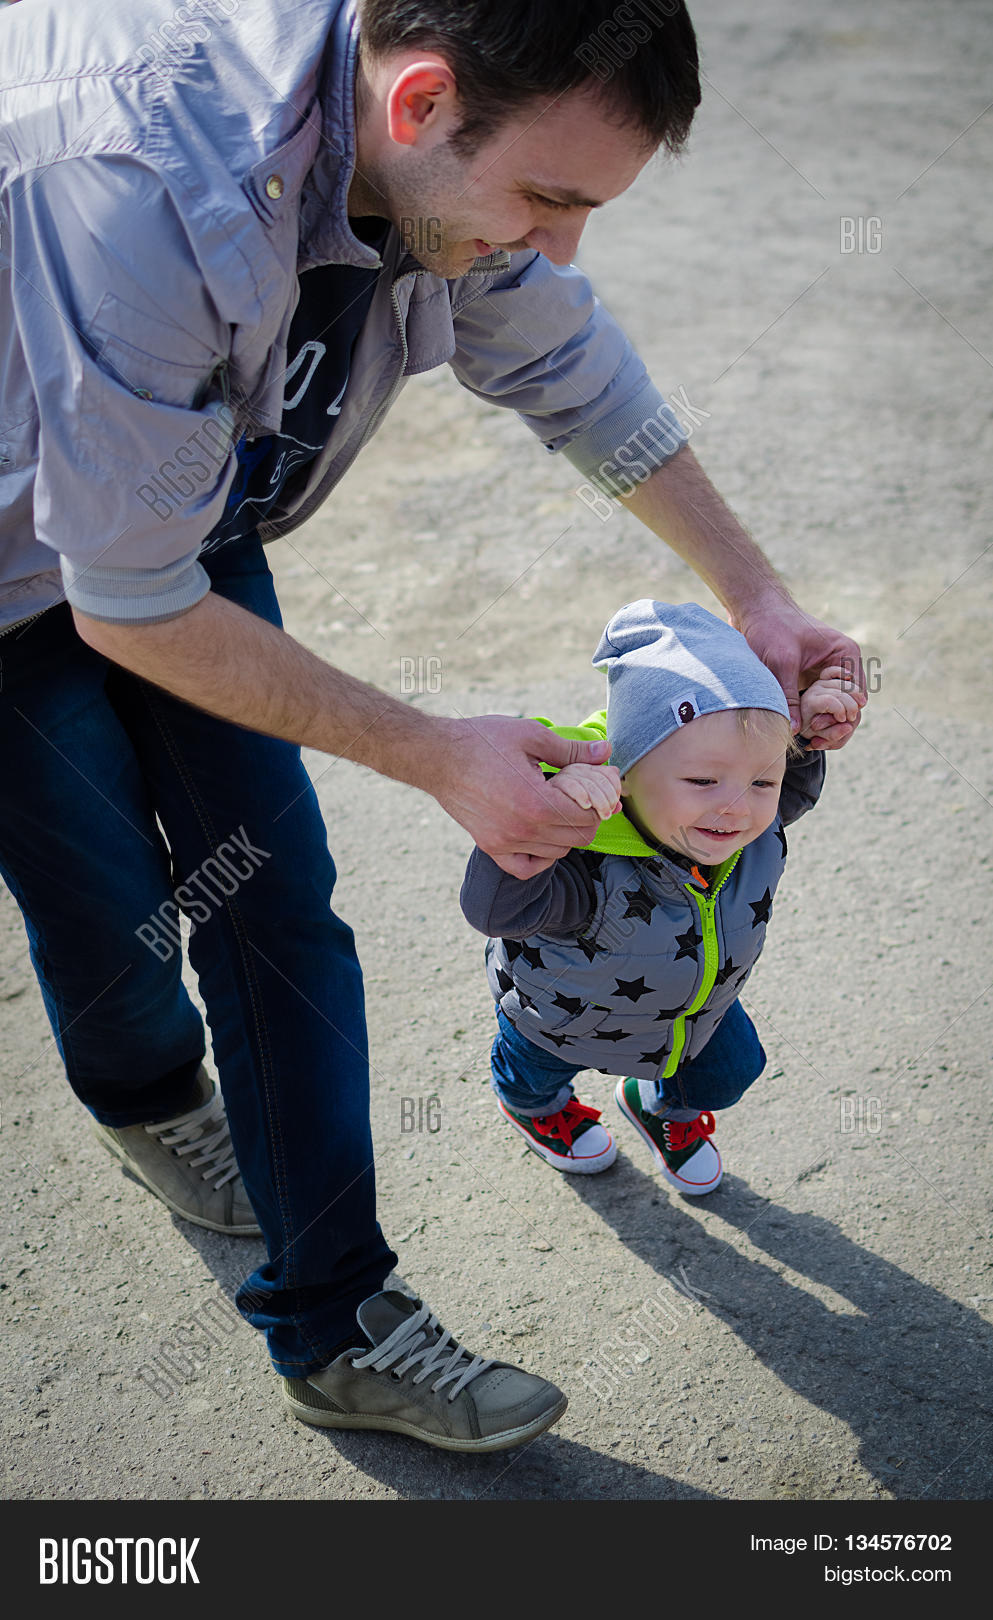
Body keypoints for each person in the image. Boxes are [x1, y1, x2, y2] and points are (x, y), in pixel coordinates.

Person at [0, 0, 864, 1453]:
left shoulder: (433, 160)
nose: (562, 242)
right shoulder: (135, 182)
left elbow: (567, 366)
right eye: (549, 197)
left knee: (273, 900)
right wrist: (430, 749)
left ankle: (338, 1326)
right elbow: (126, 609)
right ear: (417, 107)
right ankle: (146, 1094)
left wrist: (757, 597)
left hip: (170, 508)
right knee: (106, 901)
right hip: (31, 568)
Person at [460, 601, 860, 1189]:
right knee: (535, 1076)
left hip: (696, 1015)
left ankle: (658, 1106)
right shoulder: (586, 856)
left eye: (762, 780)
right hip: (558, 1021)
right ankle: (532, 1110)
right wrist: (546, 816)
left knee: (731, 1074)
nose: (735, 806)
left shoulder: (750, 829)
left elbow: (792, 780)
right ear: (624, 771)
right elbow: (494, 910)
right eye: (702, 780)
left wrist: (811, 732)